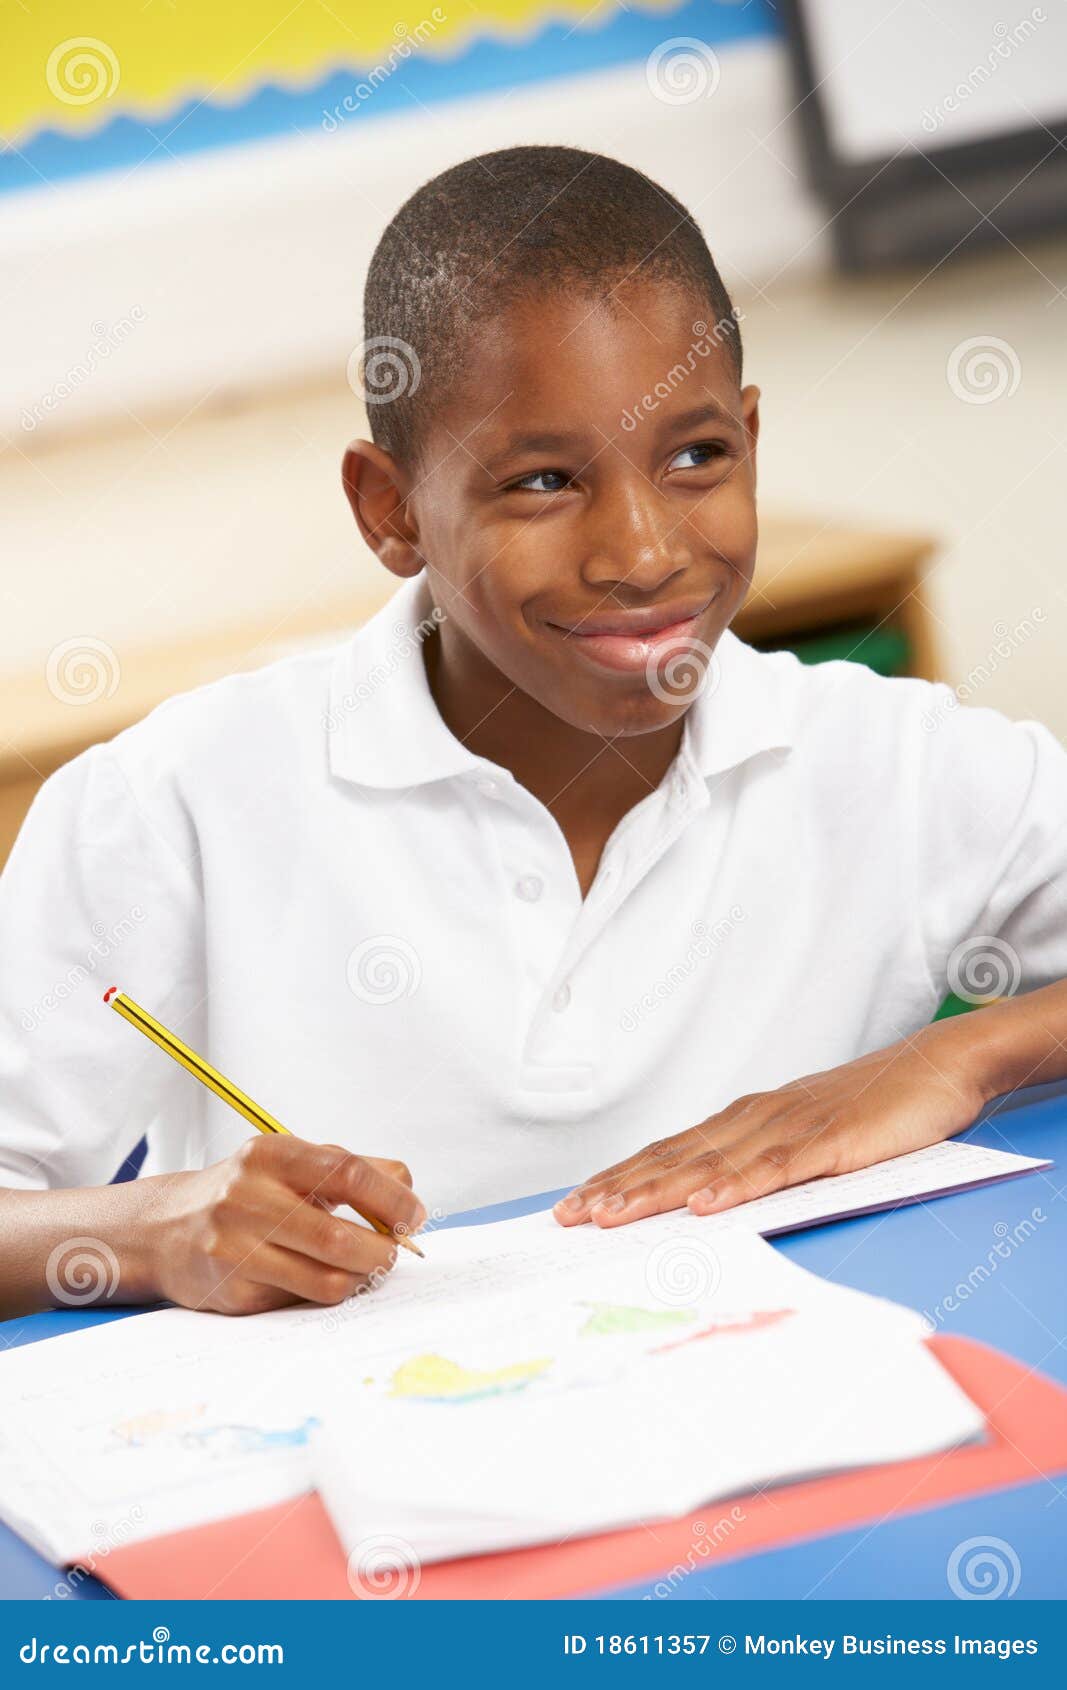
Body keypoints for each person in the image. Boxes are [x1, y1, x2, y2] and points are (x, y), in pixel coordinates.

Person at [2, 146, 1065, 1319]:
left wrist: (956, 1056)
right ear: (390, 510)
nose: (642, 553)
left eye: (695, 457)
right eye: (544, 482)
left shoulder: (893, 762)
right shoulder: (170, 802)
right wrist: (152, 1231)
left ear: (751, 442)